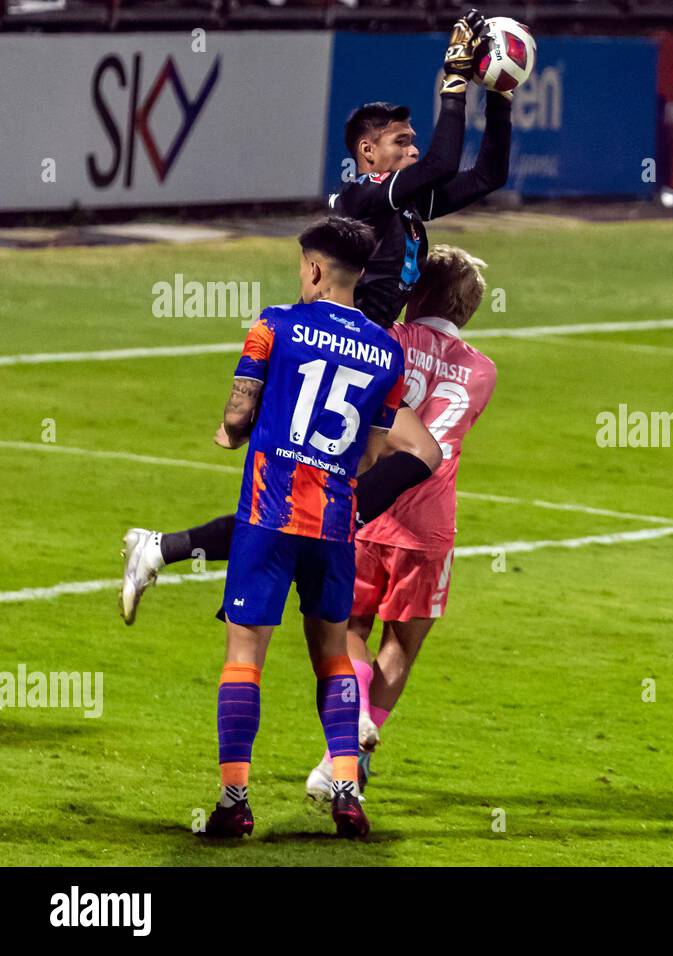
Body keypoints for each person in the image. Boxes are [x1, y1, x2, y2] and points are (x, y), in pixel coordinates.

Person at [119, 8, 515, 623]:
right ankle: (189, 549)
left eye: (413, 139)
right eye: (400, 141)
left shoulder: (405, 207)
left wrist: (505, 99)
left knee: (311, 499)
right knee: (384, 470)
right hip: (328, 349)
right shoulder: (362, 199)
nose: (413, 148)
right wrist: (455, 84)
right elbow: (441, 165)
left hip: (360, 354)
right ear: (368, 152)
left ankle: (165, 547)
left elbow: (489, 174)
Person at [201, 216, 405, 839]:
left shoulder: (273, 323)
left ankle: (236, 805)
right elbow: (373, 452)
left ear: (314, 270)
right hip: (337, 523)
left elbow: (238, 414)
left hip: (269, 513)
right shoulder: (388, 352)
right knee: (332, 656)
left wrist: (233, 430)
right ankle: (346, 790)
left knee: (244, 659)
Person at [304, 245, 497, 798]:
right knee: (402, 644)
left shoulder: (388, 339)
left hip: (369, 502)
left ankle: (352, 723)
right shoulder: (483, 371)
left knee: (350, 629)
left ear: (416, 292)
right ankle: (346, 763)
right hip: (429, 523)